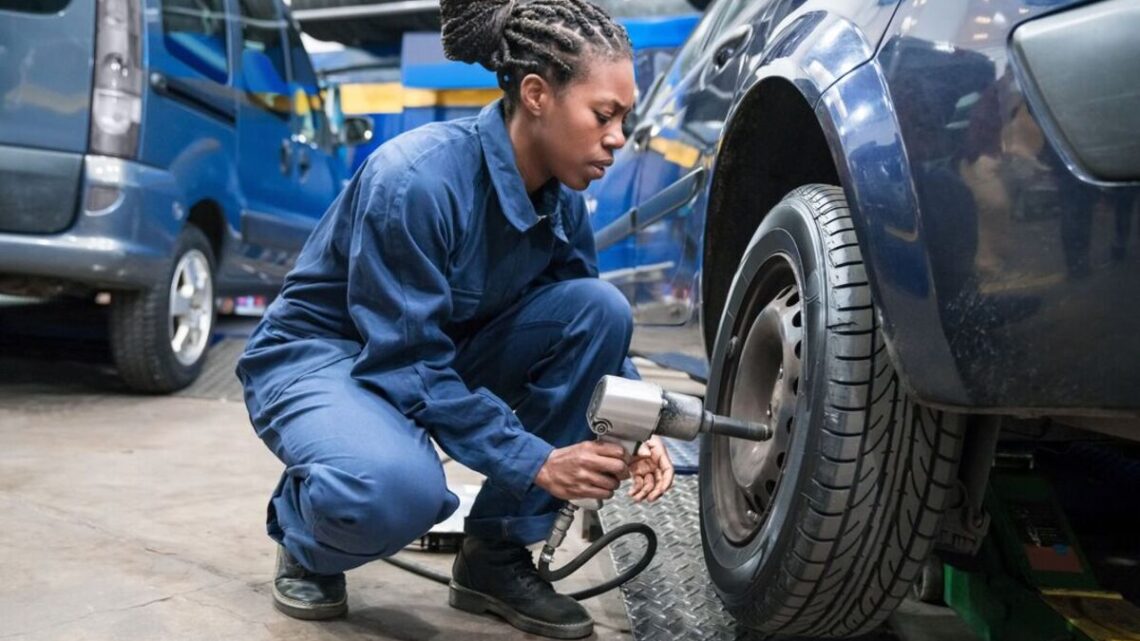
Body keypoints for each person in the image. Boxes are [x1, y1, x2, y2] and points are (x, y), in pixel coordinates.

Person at [235, 0, 675, 638]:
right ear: (536, 95)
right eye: (603, 115)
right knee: (396, 493)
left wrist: (640, 421)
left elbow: (588, 332)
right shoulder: (416, 180)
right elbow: (407, 363)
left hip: (431, 351)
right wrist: (538, 462)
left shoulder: (560, 198)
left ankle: (494, 556)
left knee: (599, 308)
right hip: (330, 357)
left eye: (623, 119)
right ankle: (308, 530)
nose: (617, 138)